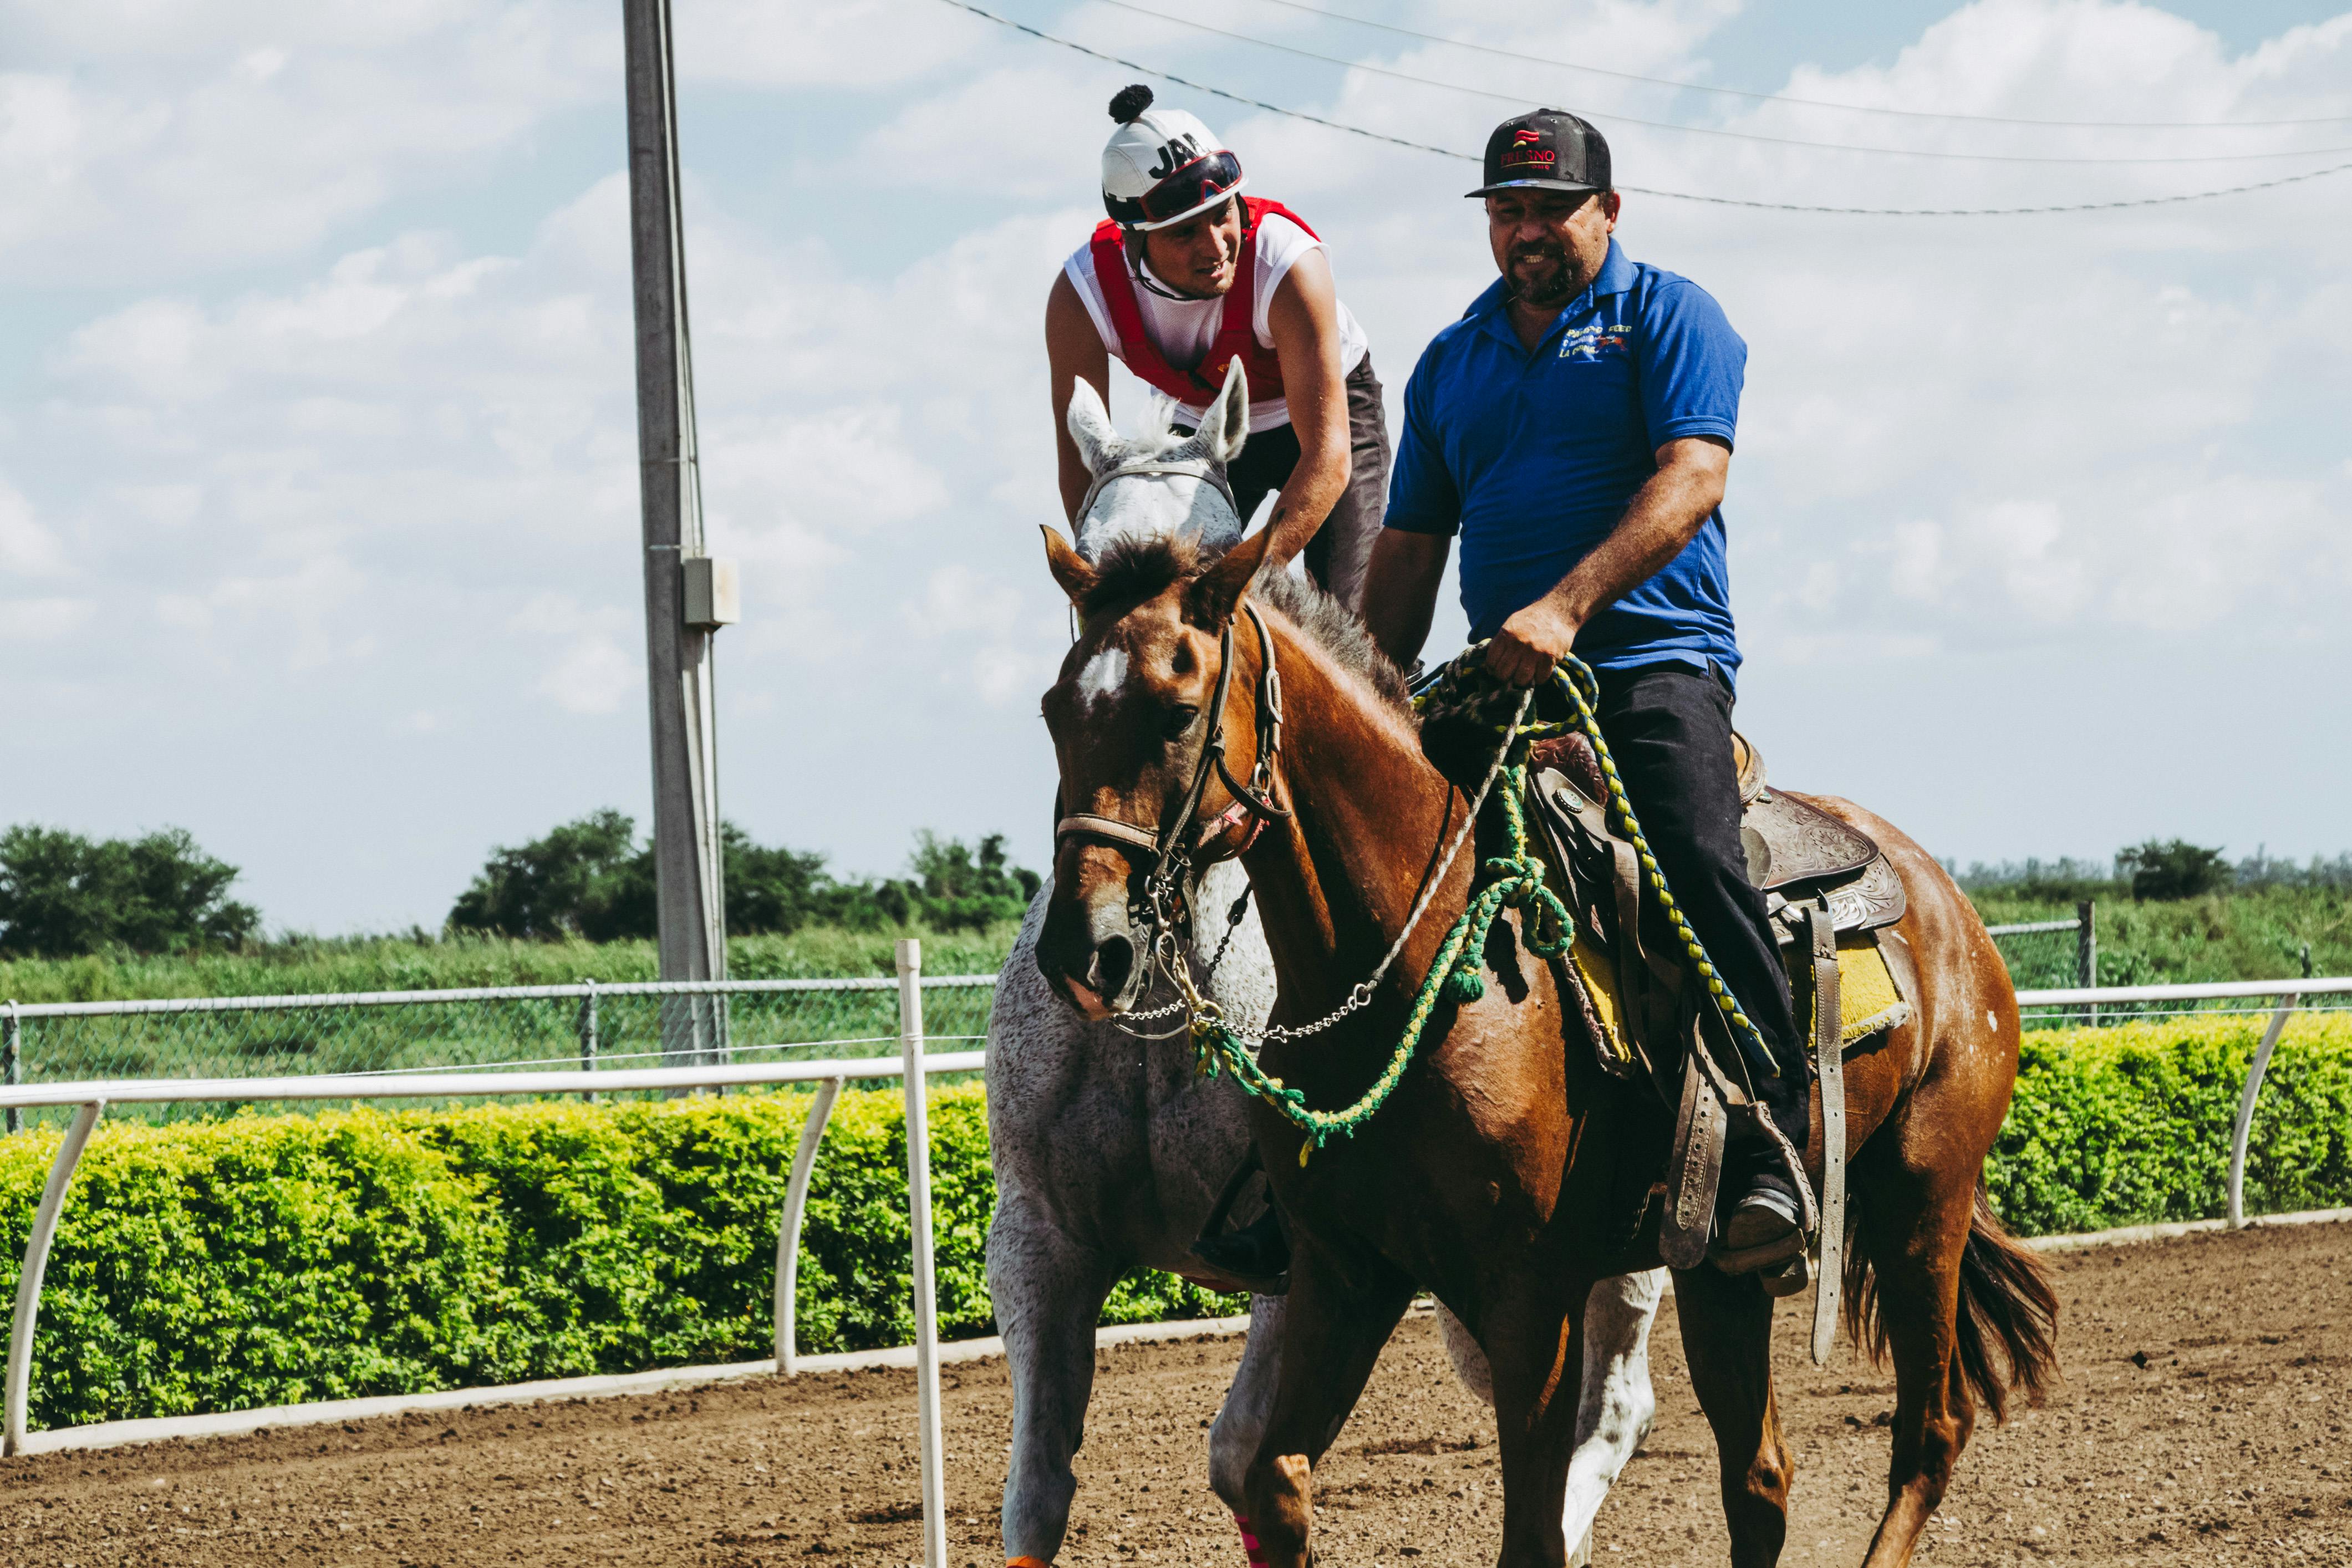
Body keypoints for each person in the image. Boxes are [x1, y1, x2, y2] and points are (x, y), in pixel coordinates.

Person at [1361, 109, 1811, 1276]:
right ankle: (1327, 1160)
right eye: (1506, 211)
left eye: (1551, 209)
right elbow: (1409, 552)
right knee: (1354, 860)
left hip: (1650, 663)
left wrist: (1567, 606)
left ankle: (1771, 1140)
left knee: (1696, 861)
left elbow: (1693, 476)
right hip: (1494, 680)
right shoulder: (1451, 361)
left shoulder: (1669, 315)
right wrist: (1367, 693)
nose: (1526, 232)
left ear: (1607, 210)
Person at [1046, 85, 1388, 608]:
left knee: (1349, 617)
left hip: (1324, 421)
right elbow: (1084, 469)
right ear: (1134, 241)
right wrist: (1102, 588)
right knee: (1159, 608)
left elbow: (1328, 456)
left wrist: (1235, 582)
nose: (1215, 246)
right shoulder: (1083, 297)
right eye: (1183, 234)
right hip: (1208, 425)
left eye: (1223, 214)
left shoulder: (1288, 263)